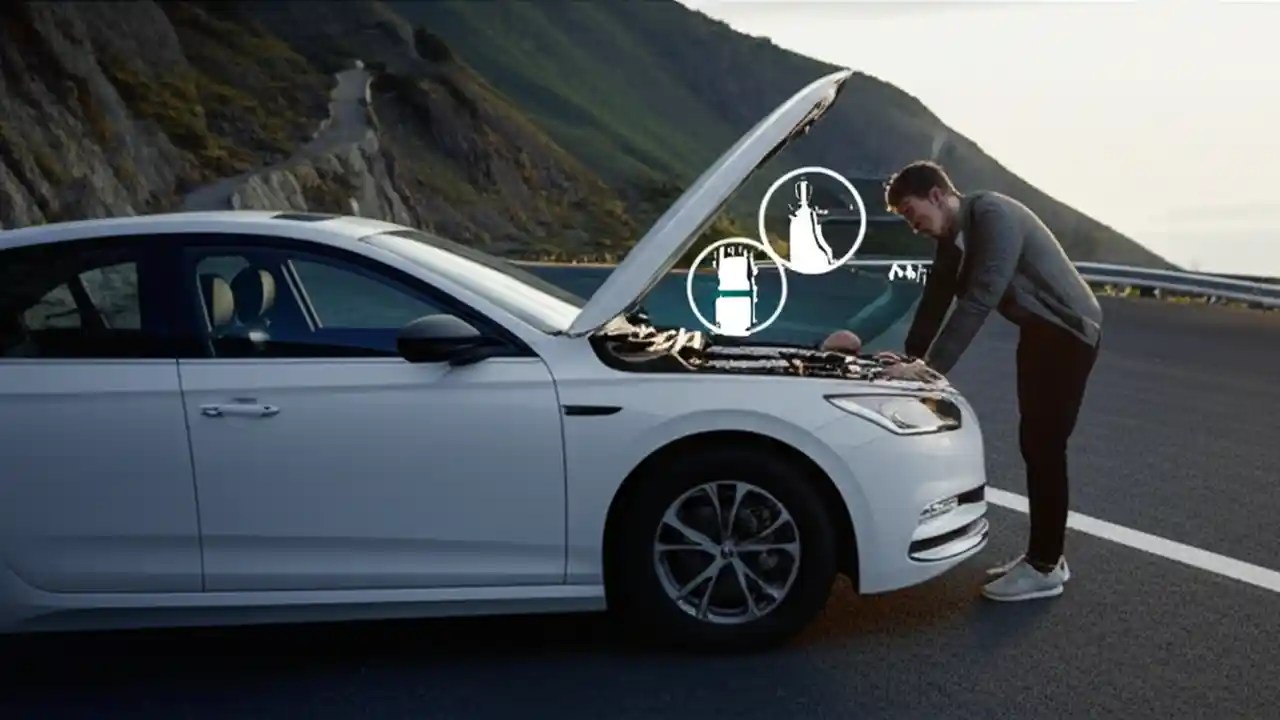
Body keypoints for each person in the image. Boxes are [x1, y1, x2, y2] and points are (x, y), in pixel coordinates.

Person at [826, 160, 1103, 602]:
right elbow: (936, 298)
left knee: (1044, 446)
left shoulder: (992, 216)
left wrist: (929, 370)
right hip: (1040, 332)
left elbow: (980, 298)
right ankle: (1047, 558)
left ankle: (1045, 567)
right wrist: (911, 360)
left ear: (937, 195)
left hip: (1069, 333)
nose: (913, 225)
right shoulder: (953, 237)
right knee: (1035, 444)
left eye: (912, 212)